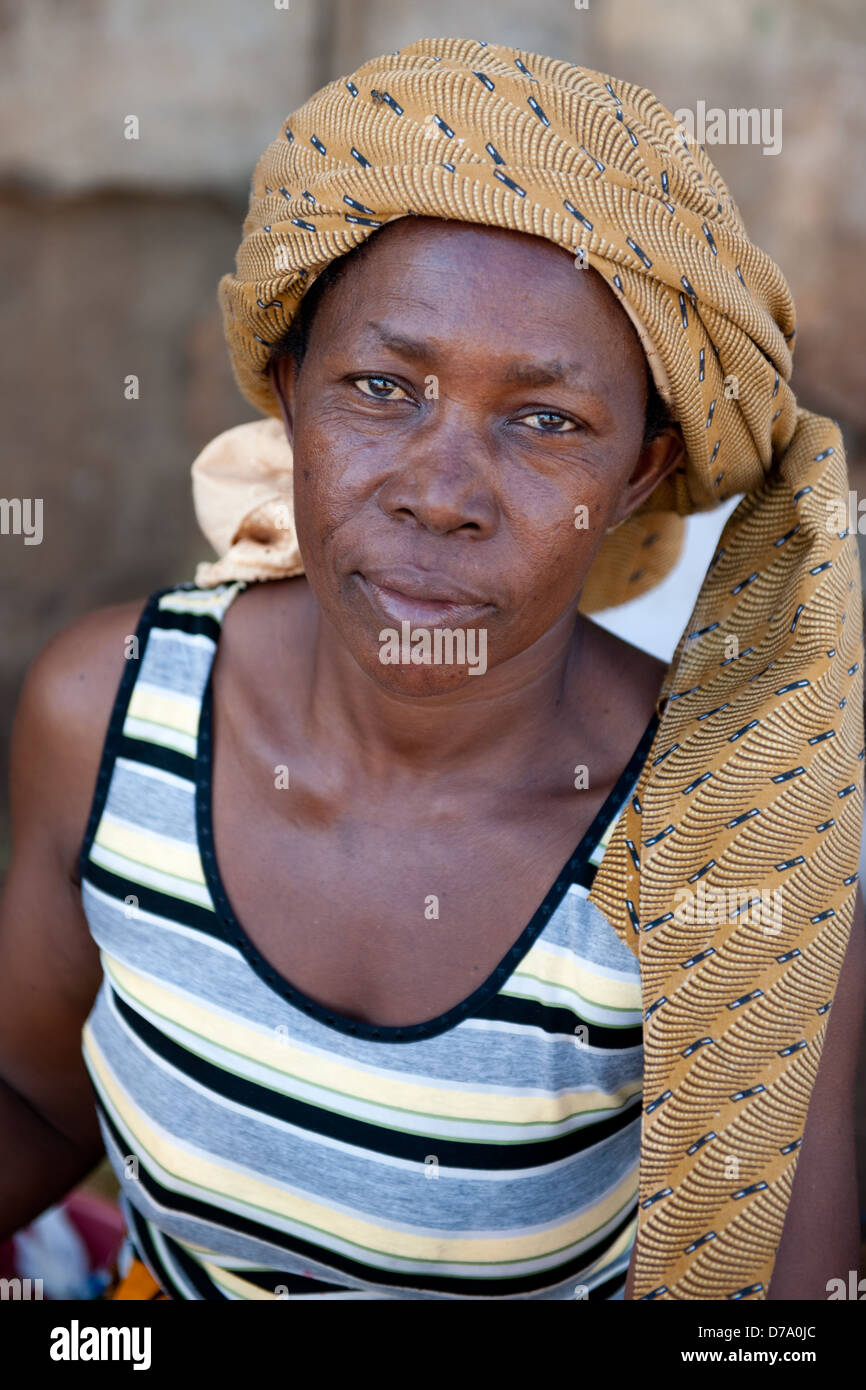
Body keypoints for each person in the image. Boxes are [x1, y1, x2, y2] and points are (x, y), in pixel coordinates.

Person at [1, 37, 863, 1302]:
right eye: (380, 386)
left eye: (544, 420)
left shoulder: (730, 835)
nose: (440, 492)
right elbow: (31, 1089)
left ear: (636, 472)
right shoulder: (111, 707)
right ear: (289, 394)